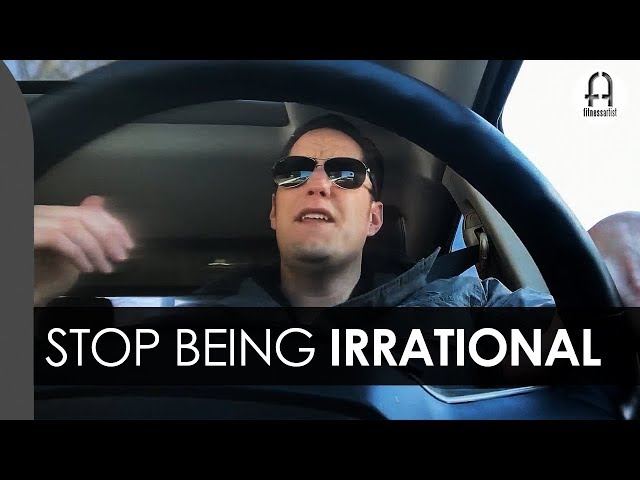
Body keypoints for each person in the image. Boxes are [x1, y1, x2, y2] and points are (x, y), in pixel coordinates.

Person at [34, 114, 639, 312]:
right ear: (274, 213)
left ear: (374, 219)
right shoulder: (193, 335)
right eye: (295, 172)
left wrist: (609, 270)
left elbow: (579, 337)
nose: (319, 183)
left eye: (346, 174)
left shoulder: (463, 311)